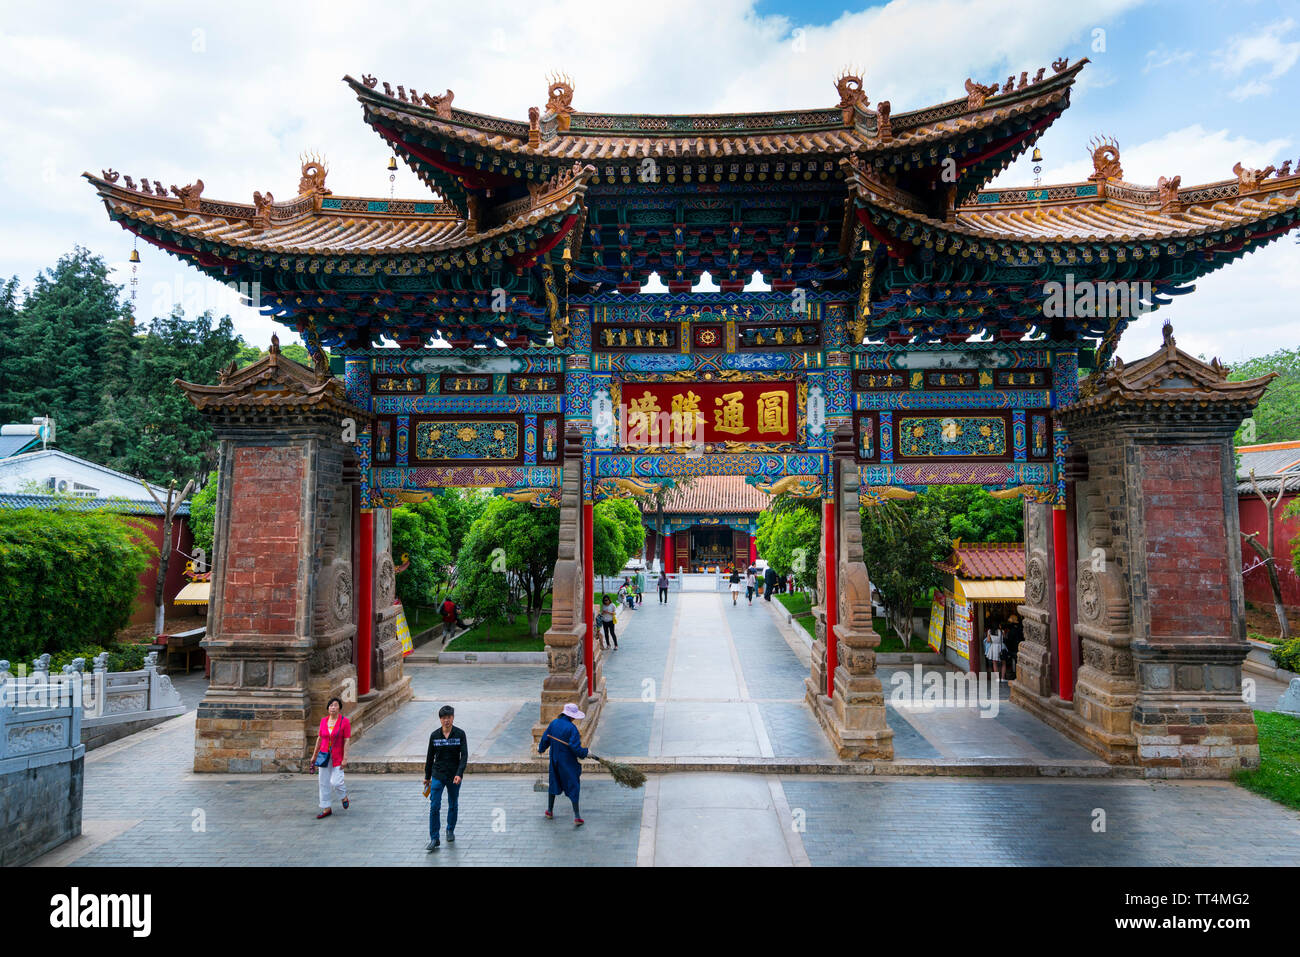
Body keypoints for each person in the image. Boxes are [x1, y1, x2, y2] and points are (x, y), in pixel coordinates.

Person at [423, 705, 468, 851]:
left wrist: (459, 774)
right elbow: (430, 757)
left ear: (453, 718)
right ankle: (434, 838)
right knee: (434, 806)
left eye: (448, 717)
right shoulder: (434, 735)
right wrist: (427, 777)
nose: (446, 720)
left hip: (454, 776)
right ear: (440, 719)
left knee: (453, 803)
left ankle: (450, 829)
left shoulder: (460, 734)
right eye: (443, 718)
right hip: (438, 775)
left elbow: (464, 756)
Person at [539, 702, 588, 826]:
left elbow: (545, 738)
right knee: (573, 785)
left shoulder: (554, 723)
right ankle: (577, 816)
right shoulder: (572, 729)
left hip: (555, 760)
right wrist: (585, 752)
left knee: (553, 782)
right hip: (567, 762)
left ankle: (549, 811)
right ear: (571, 716)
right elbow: (576, 748)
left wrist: (541, 748)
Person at [312, 696, 350, 819]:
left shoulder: (345, 722)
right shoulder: (323, 721)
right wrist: (314, 756)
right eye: (331, 705)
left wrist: (345, 758)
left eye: (335, 705)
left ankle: (343, 796)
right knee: (323, 782)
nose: (333, 707)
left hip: (338, 756)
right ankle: (326, 807)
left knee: (336, 782)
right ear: (328, 708)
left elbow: (347, 740)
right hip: (324, 756)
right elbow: (319, 738)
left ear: (339, 708)